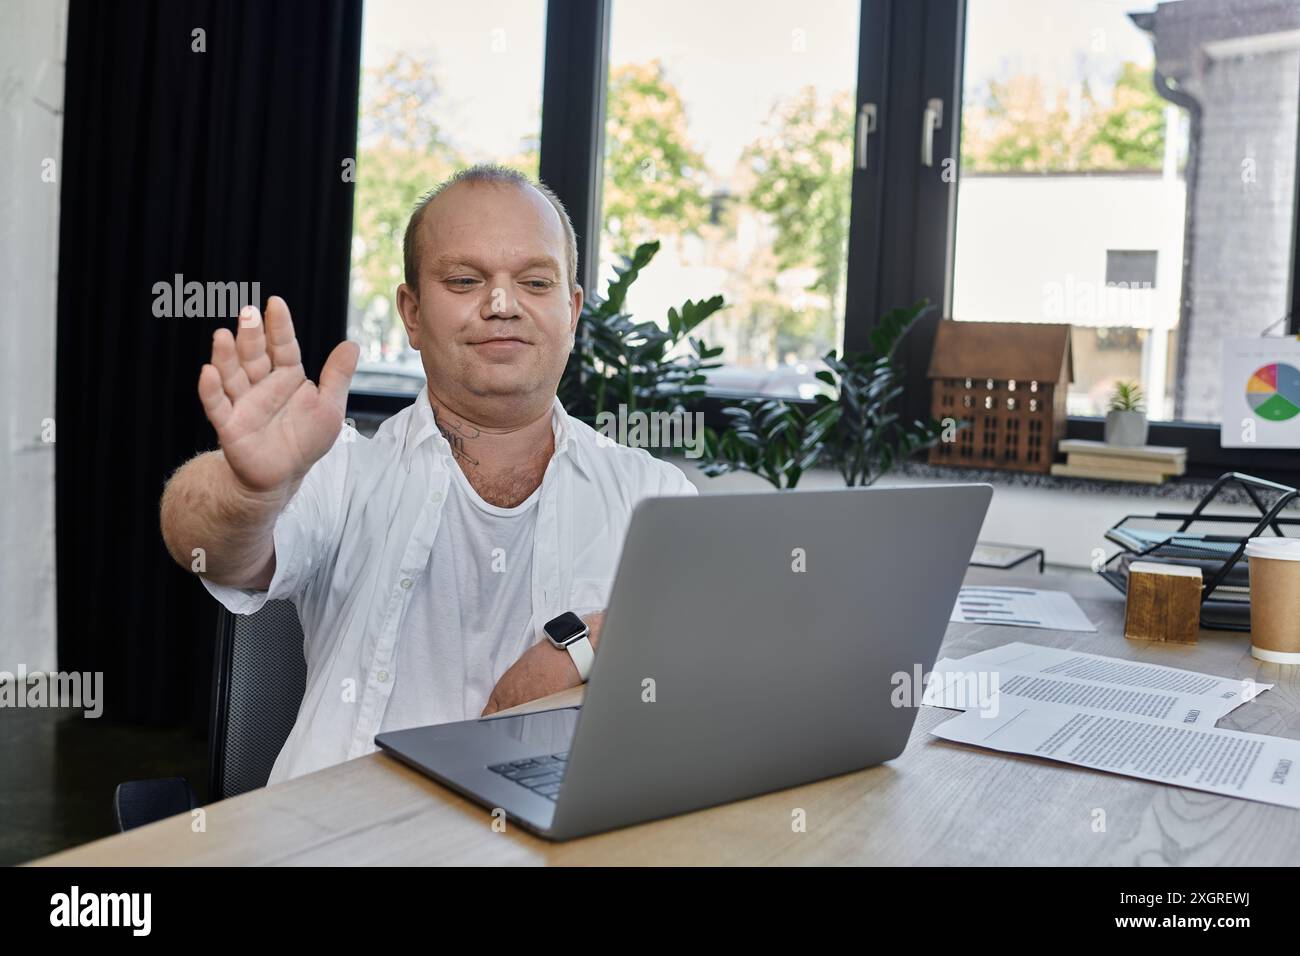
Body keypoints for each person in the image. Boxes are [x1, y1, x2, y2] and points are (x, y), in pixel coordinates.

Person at [160, 164, 697, 783]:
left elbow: (735, 629)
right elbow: (201, 539)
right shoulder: (342, 471)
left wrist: (581, 648)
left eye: (536, 281)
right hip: (348, 840)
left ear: (571, 311)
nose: (503, 306)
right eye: (465, 280)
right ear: (411, 314)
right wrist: (253, 488)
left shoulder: (651, 495)